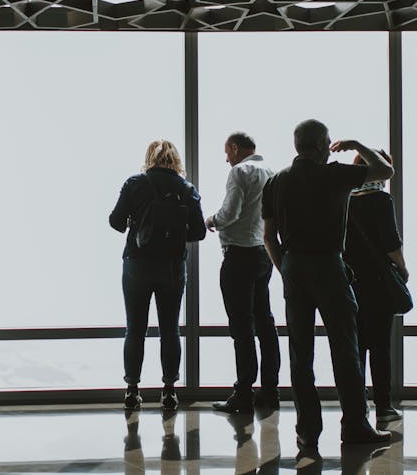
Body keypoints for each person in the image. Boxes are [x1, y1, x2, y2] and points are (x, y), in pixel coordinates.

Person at [261, 119, 393, 450]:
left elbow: (268, 236)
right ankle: (354, 425)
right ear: (322, 145)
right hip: (329, 266)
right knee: (345, 349)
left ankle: (307, 430)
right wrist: (358, 146)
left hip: (294, 266)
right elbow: (385, 172)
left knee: (300, 354)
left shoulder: (276, 182)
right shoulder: (335, 174)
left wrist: (285, 269)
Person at [110, 140, 207, 411]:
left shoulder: (134, 184)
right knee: (170, 329)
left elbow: (115, 222)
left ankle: (132, 389)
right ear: (175, 159)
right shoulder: (186, 189)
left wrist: (136, 223)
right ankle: (169, 390)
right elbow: (198, 232)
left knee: (135, 329)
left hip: (137, 264)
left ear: (149, 158)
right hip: (172, 267)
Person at [206, 132, 281, 413]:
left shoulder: (240, 172)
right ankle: (270, 390)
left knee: (241, 327)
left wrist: (211, 220)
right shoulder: (272, 172)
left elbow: (230, 212)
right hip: (263, 254)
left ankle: (243, 393)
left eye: (227, 152)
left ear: (235, 148)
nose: (226, 158)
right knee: (265, 322)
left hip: (238, 256)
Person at [343, 150, 409, 423]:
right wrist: (403, 269)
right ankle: (383, 406)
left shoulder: (345, 200)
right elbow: (391, 243)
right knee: (380, 346)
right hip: (378, 282)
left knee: (356, 346)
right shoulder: (382, 200)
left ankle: (357, 406)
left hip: (351, 282)